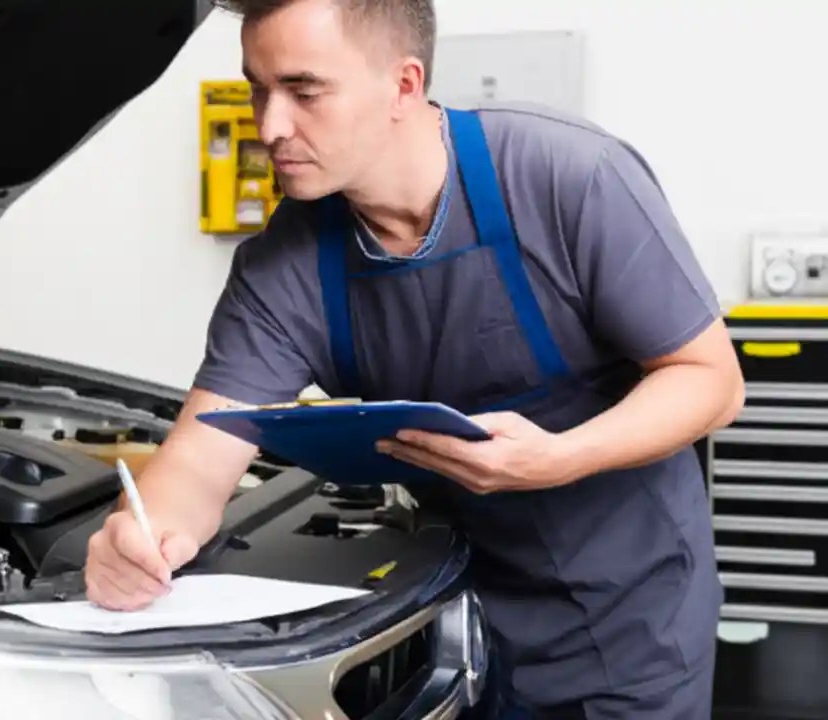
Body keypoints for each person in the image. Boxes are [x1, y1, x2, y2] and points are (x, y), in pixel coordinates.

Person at [83, 0, 743, 716]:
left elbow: (710, 381)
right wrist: (141, 536)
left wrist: (557, 458)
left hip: (630, 619)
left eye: (304, 91)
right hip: (453, 618)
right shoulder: (283, 266)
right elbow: (199, 461)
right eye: (258, 90)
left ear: (403, 85)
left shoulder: (569, 176)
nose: (270, 126)